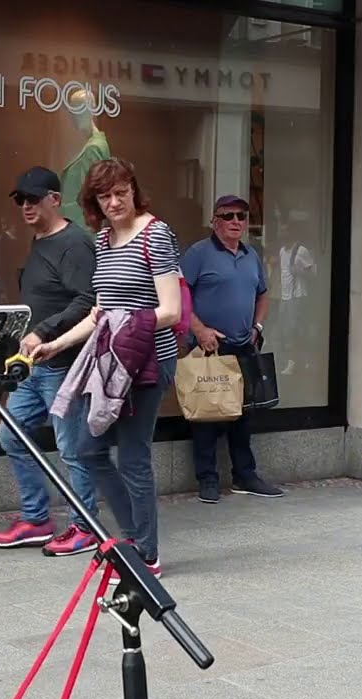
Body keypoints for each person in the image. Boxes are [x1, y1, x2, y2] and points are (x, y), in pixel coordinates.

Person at [33, 157, 181, 579]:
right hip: (110, 362)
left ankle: (146, 555)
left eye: (121, 192)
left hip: (149, 361)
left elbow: (170, 310)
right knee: (88, 449)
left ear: (134, 190)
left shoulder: (156, 233)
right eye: (105, 195)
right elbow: (101, 310)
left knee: (134, 457)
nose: (114, 202)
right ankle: (131, 535)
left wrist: (129, 323)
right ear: (95, 201)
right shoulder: (102, 239)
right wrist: (55, 343)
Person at [0, 166, 104, 556]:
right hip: (34, 364)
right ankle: (37, 519)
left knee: (72, 449)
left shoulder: (74, 244)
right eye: (21, 200)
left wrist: (46, 331)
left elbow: (89, 302)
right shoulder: (41, 241)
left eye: (33, 199)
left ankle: (85, 527)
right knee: (11, 434)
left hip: (64, 363)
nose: (25, 206)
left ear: (55, 199)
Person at [181, 194, 282, 503]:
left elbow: (263, 294)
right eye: (228, 216)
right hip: (211, 346)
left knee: (243, 415)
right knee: (207, 414)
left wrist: (257, 327)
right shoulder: (199, 254)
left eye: (241, 216)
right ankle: (207, 479)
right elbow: (179, 296)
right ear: (215, 221)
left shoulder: (251, 255)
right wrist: (199, 330)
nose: (236, 221)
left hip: (243, 344)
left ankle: (245, 475)